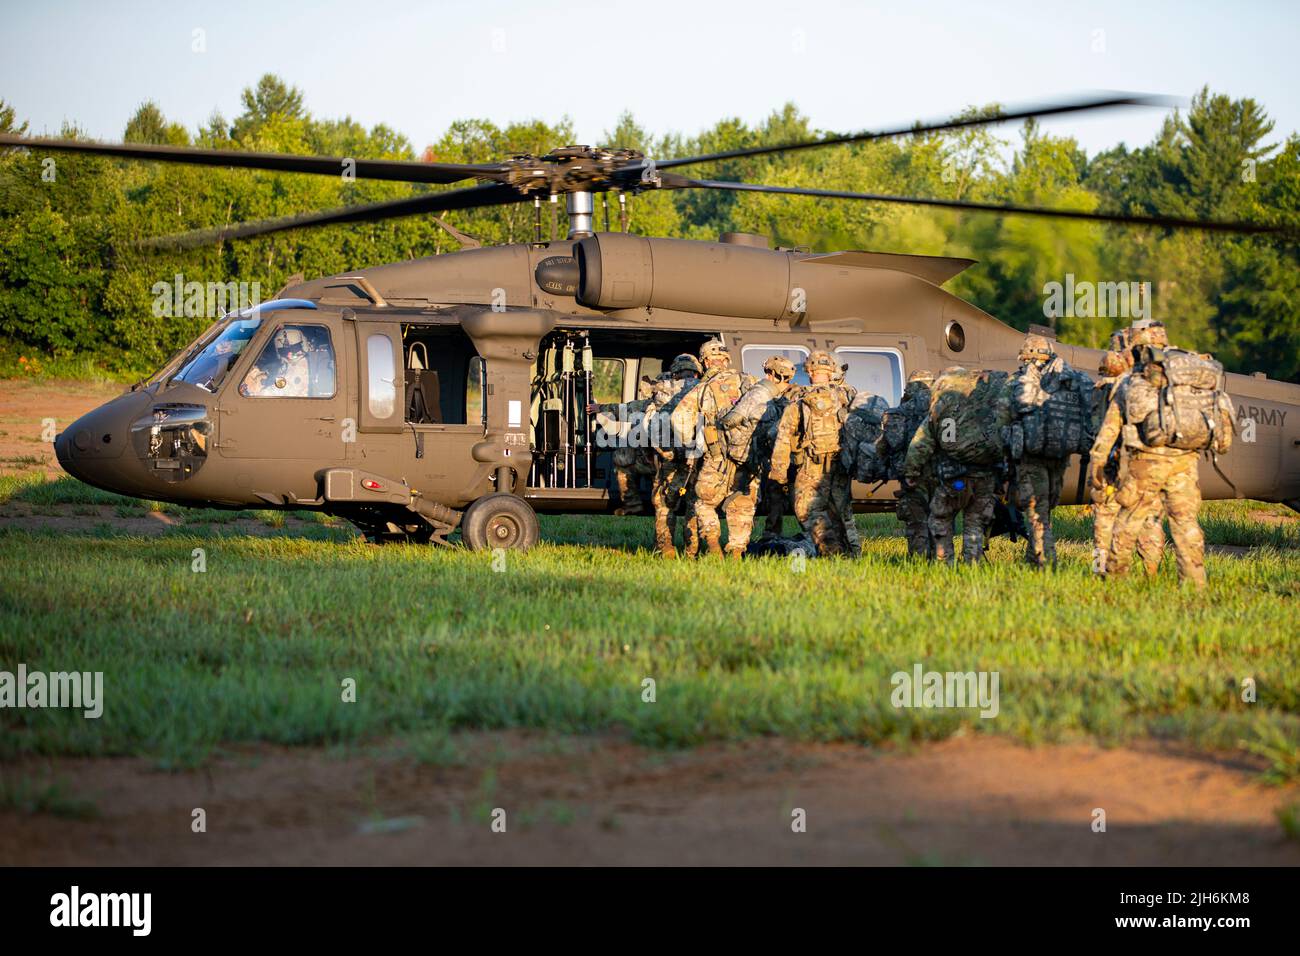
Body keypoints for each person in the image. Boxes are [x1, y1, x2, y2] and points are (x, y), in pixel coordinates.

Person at [1089, 321, 1226, 589]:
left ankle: (1113, 581)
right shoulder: (1185, 373)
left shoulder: (1132, 379)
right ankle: (1194, 586)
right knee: (1185, 523)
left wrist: (1098, 458)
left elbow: (1112, 425)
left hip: (1147, 461)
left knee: (1129, 520)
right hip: (1184, 460)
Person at [904, 366, 1011, 564]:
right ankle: (972, 563)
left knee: (941, 519)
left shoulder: (944, 406)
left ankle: (944, 564)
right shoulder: (986, 405)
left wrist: (911, 472)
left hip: (955, 477)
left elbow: (922, 443)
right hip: (985, 477)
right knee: (975, 523)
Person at [1007, 334, 1093, 568]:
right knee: (1045, 509)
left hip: (1032, 455)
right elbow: (1091, 413)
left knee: (1037, 511)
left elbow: (1006, 416)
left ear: (1026, 356)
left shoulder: (1021, 381)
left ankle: (1047, 564)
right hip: (1061, 453)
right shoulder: (1075, 379)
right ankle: (1032, 560)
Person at [669, 340, 758, 557]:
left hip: (716, 458)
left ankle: (713, 545)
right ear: (726, 360)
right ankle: (737, 551)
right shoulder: (750, 382)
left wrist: (693, 446)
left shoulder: (702, 388)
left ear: (706, 361)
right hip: (747, 456)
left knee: (704, 503)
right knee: (742, 505)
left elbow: (678, 419)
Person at [1090, 324, 1166, 574]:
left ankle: (1101, 571)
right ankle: (1151, 573)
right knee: (1150, 522)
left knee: (1103, 522)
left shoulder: (1120, 385)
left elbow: (1106, 432)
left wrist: (1097, 467)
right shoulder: (1162, 386)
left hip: (1117, 467)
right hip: (1151, 467)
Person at [769, 350, 853, 556]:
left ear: (809, 370)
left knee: (806, 507)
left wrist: (778, 472)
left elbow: (783, 434)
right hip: (841, 463)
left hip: (812, 464)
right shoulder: (846, 396)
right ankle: (852, 554)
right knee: (841, 512)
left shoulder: (801, 398)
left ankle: (830, 550)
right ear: (831, 369)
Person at [643, 354, 703, 556]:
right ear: (696, 371)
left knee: (664, 503)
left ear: (675, 372)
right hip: (697, 460)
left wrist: (663, 451)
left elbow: (653, 425)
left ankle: (665, 548)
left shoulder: (665, 389)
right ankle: (692, 550)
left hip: (672, 458)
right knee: (693, 504)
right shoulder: (705, 389)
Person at [879, 370, 935, 558]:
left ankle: (919, 561)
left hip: (912, 475)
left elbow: (893, 443)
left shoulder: (900, 413)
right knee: (941, 519)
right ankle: (942, 561)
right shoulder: (943, 410)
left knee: (917, 522)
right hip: (940, 474)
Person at [240, 327, 310, 397]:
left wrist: (259, 386)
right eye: (284, 351)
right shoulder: (283, 365)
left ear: (303, 346)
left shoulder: (303, 367)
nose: (289, 354)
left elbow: (286, 393)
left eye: (295, 348)